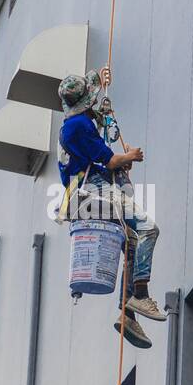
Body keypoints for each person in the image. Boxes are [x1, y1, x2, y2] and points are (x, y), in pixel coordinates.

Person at [57, 66, 164, 348]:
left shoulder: (73, 121)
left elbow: (93, 82)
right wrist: (130, 156)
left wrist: (102, 78)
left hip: (88, 189)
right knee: (148, 229)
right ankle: (140, 295)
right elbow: (110, 160)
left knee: (131, 243)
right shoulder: (77, 128)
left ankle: (127, 313)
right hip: (93, 191)